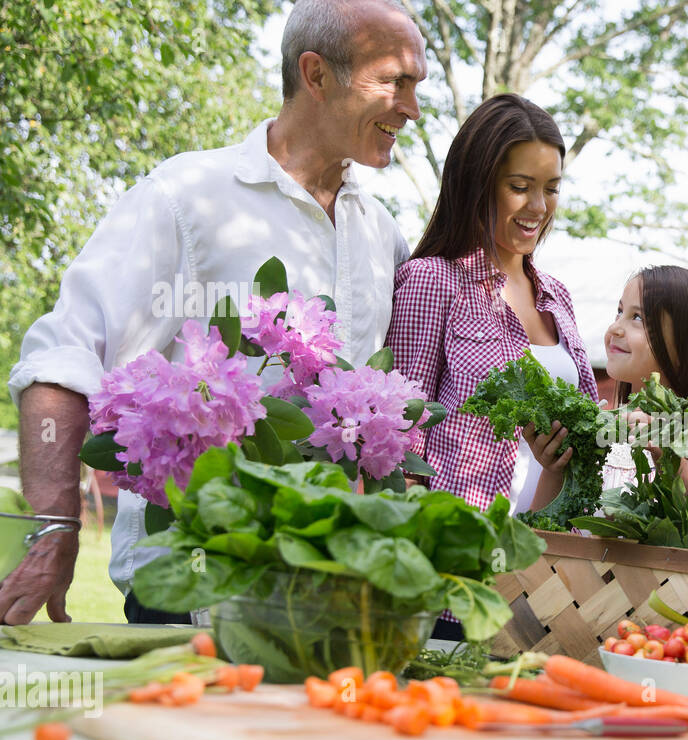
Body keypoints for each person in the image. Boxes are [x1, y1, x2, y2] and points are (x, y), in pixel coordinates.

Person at [1, 0, 426, 626]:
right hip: (190, 594)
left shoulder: (381, 232)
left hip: (324, 597)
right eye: (394, 82)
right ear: (315, 75)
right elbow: (60, 359)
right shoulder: (184, 197)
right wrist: (55, 521)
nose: (412, 109)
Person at [385, 93, 598, 640]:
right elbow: (400, 442)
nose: (538, 207)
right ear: (478, 182)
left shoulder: (558, 298)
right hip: (453, 586)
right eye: (520, 186)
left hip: (545, 585)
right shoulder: (433, 281)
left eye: (551, 188)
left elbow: (587, 441)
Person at [528, 264, 688, 509]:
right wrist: (555, 469)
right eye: (619, 311)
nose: (615, 327)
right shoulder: (596, 427)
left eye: (637, 318)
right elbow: (541, 532)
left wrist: (672, 466)